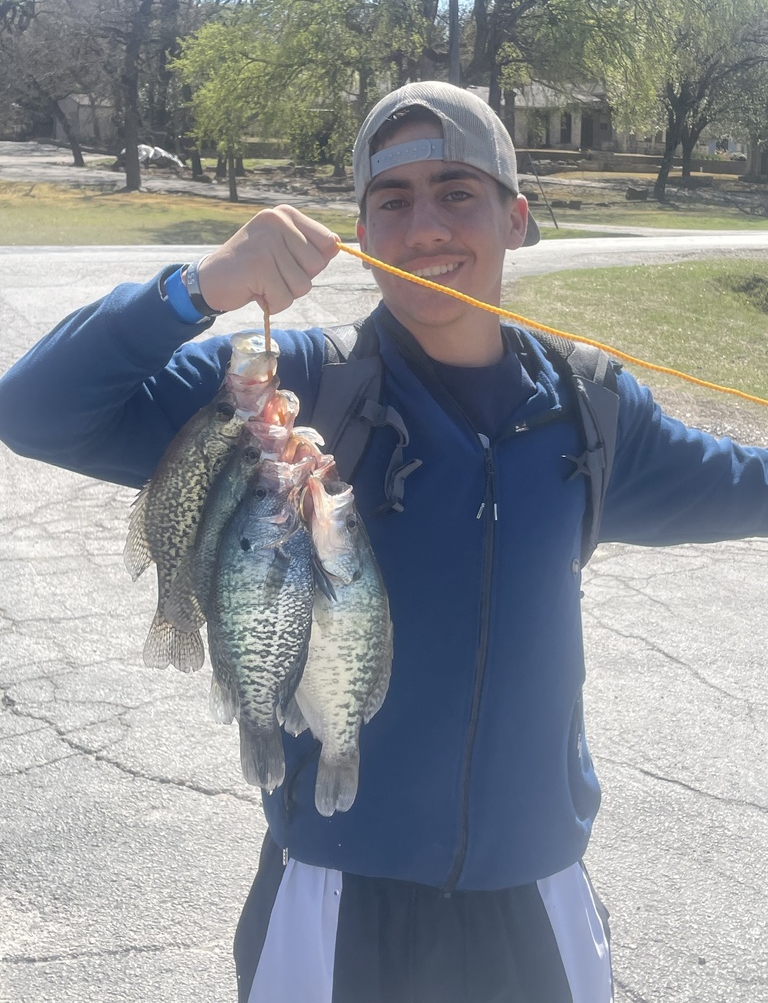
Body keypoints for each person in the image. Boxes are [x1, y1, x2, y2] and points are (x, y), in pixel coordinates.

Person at [1, 81, 767, 1003]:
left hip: (538, 897)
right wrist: (194, 289)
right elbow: (35, 409)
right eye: (392, 203)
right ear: (362, 234)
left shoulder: (592, 409)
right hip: (333, 897)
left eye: (457, 192)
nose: (425, 227)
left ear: (517, 218)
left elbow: (745, 482)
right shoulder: (286, 395)